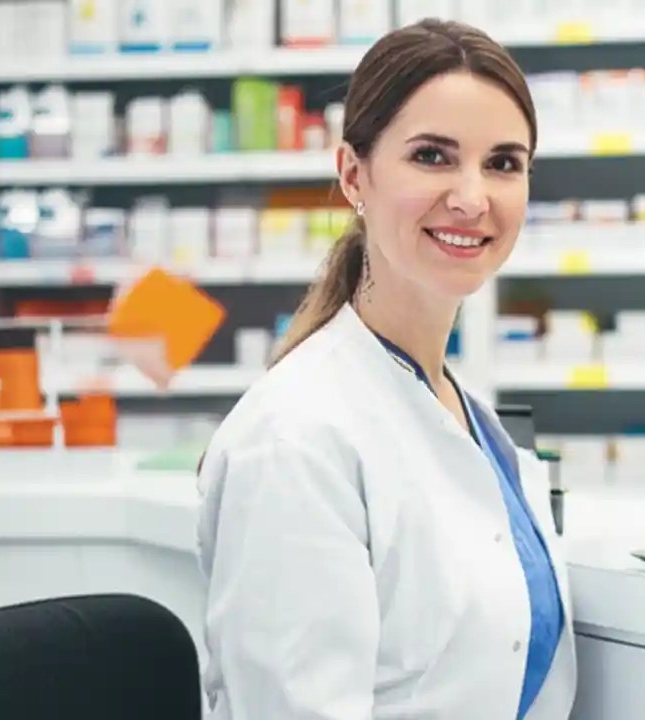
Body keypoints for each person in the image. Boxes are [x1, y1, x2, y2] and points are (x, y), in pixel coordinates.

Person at [195, 19, 575, 720]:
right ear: (352, 174)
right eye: (432, 156)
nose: (472, 196)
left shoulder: (461, 413)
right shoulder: (297, 440)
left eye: (504, 162)